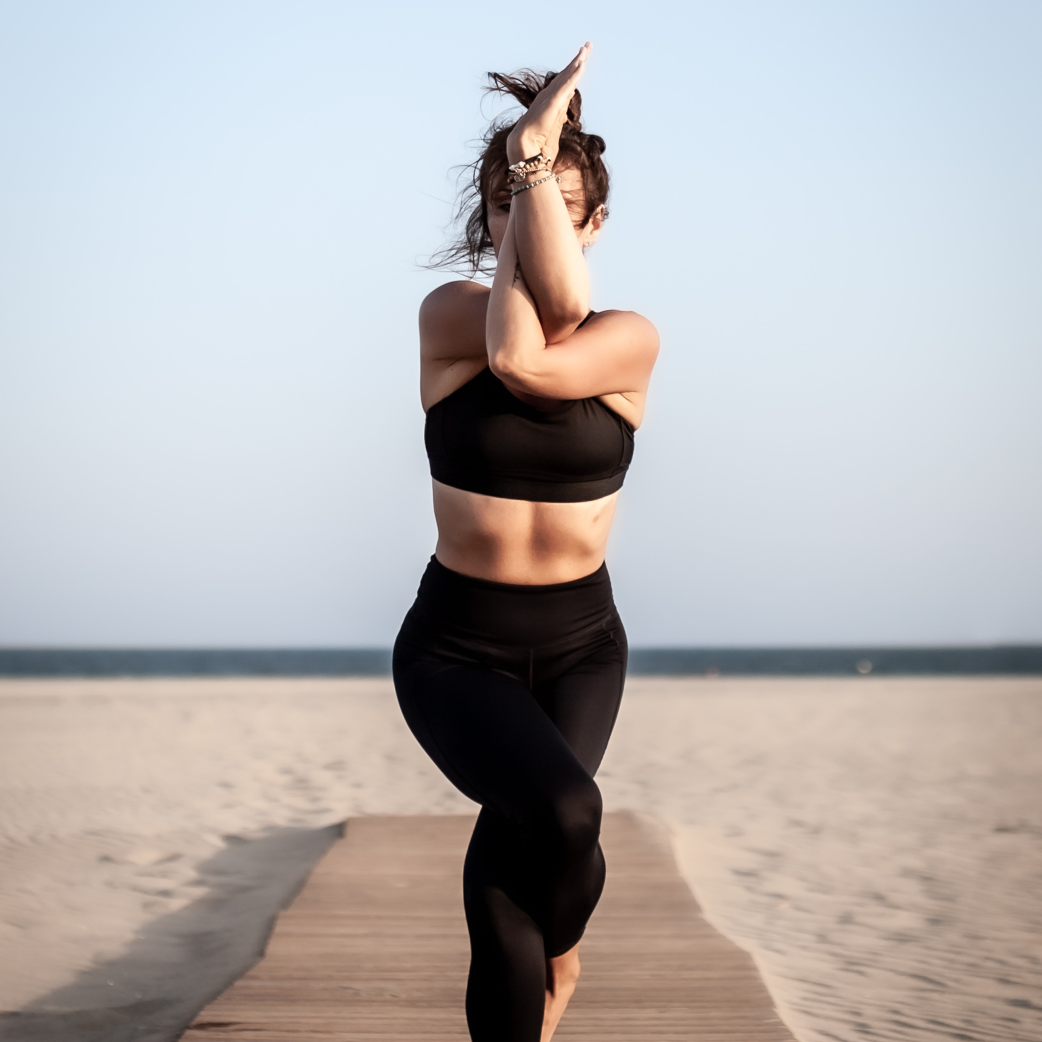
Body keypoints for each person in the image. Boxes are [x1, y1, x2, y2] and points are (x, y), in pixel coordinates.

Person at [393, 42, 659, 1042]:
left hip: (581, 641)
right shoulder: (449, 317)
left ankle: (549, 946)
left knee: (535, 841)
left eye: (551, 200)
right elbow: (513, 341)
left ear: (594, 223)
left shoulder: (629, 340)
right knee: (555, 813)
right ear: (487, 218)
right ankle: (559, 949)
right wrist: (531, 161)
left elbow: (545, 342)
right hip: (457, 648)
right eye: (506, 199)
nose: (526, 211)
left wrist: (537, 161)